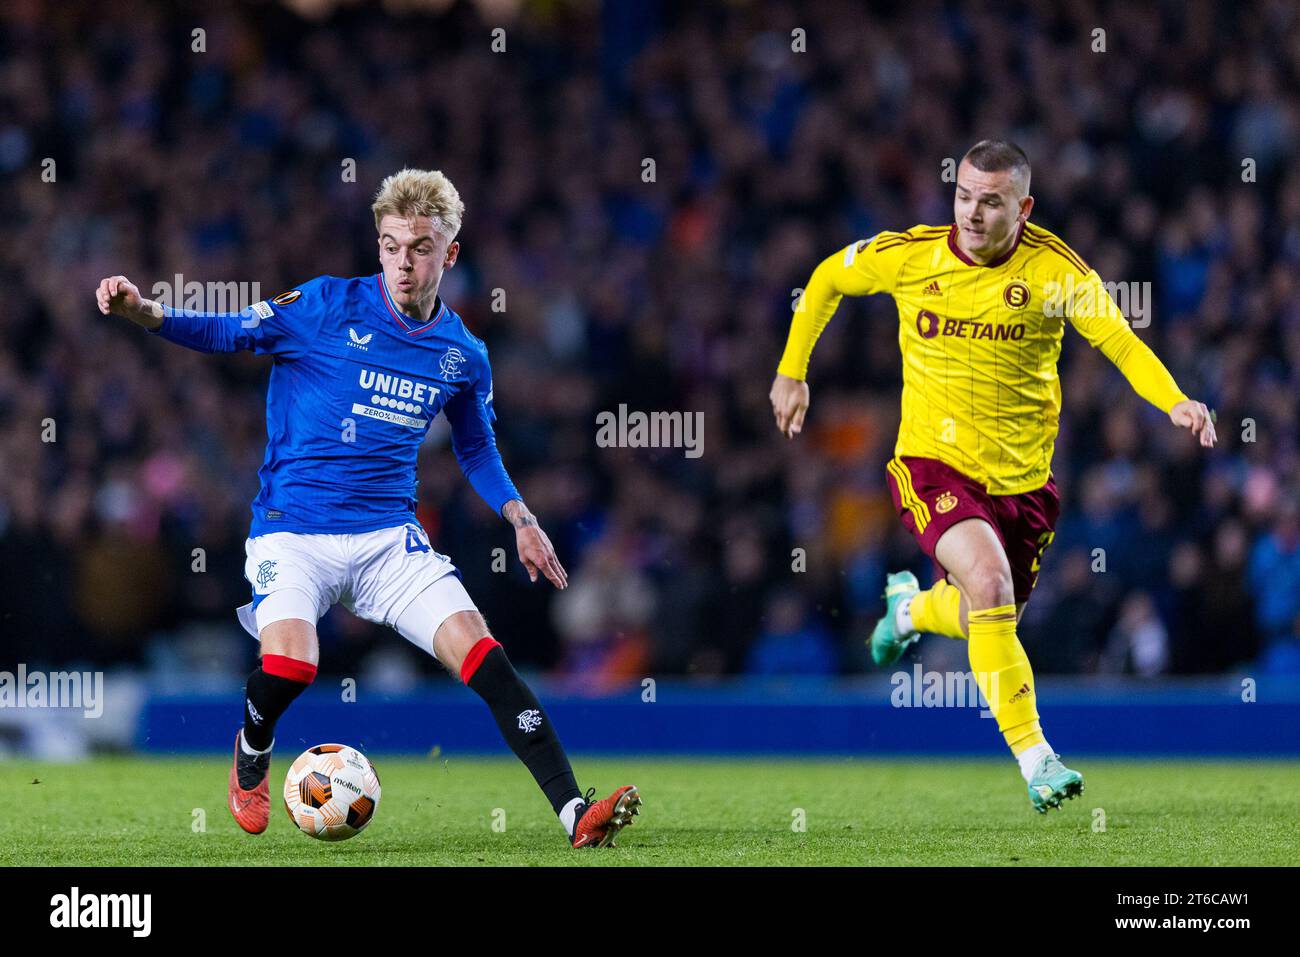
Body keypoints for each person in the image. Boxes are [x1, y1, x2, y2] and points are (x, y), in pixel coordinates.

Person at [96, 168, 640, 848]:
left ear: (451, 254)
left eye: (419, 247)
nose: (402, 262)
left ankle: (573, 815)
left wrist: (521, 517)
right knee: (293, 665)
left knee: (486, 659)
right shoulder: (325, 304)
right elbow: (228, 331)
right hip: (292, 532)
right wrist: (144, 311)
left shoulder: (462, 355)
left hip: (388, 539)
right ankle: (252, 746)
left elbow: (476, 448)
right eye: (389, 245)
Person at [769, 141, 1216, 812]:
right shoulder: (913, 254)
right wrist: (791, 368)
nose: (973, 214)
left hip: (1025, 486)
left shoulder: (1054, 270)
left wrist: (1175, 400)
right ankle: (1038, 758)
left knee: (989, 611)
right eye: (964, 197)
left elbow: (1120, 340)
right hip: (930, 463)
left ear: (1024, 207)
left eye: (991, 202)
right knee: (988, 582)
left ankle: (911, 607)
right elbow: (829, 277)